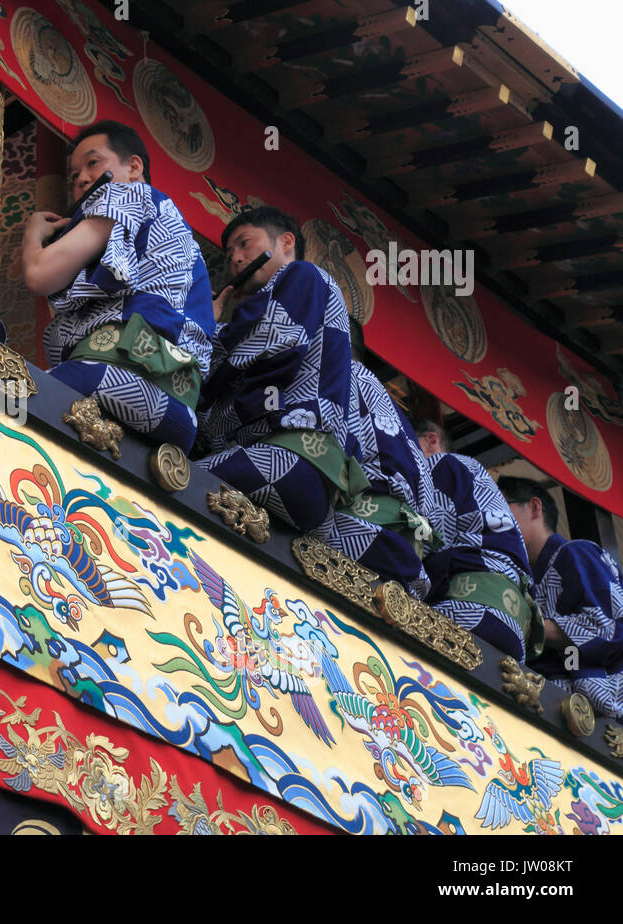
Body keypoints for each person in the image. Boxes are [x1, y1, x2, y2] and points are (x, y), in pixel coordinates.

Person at [22, 120, 214, 454]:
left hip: (122, 376)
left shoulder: (127, 194)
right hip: (174, 407)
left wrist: (32, 235)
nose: (81, 177)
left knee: (1, 392)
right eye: (74, 174)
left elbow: (39, 274)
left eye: (93, 163)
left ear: (134, 166)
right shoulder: (168, 225)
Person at [195, 206, 364, 532]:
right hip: (315, 484)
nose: (236, 258)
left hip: (287, 458)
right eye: (230, 253)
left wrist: (203, 327)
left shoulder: (302, 274)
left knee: (171, 477)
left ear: (286, 242)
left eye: (244, 243)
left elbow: (265, 354)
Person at [321, 321, 437, 596]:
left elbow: (328, 452)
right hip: (410, 561)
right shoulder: (400, 417)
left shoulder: (342, 374)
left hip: (361, 534)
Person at [415, 418, 540, 661]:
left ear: (431, 440)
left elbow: (428, 535)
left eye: (411, 443)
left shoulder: (442, 463)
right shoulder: (481, 483)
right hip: (513, 631)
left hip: (469, 610)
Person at [501, 476, 623, 721]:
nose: (495, 519)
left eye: (502, 508)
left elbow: (605, 626)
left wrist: (526, 624)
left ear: (534, 507)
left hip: (602, 699)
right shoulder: (525, 581)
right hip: (556, 706)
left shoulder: (575, 552)